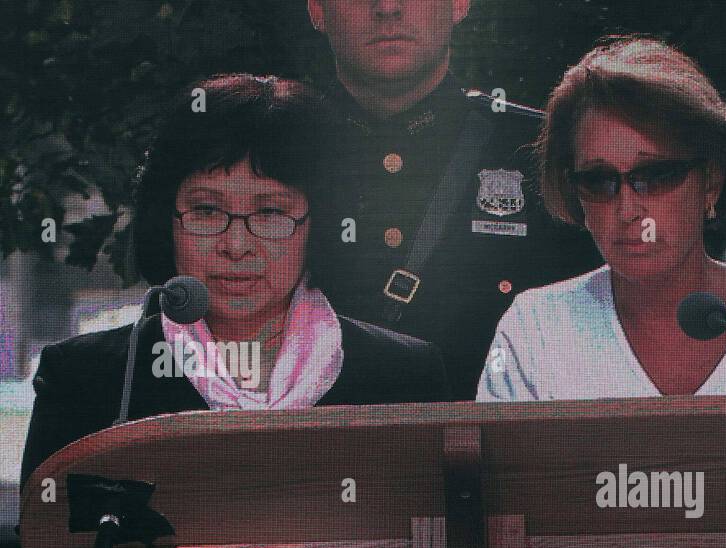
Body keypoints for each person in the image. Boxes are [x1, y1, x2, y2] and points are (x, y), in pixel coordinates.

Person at [20, 74, 447, 489]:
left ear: (321, 227)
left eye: (271, 213)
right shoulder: (84, 378)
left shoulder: (404, 376)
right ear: (163, 221)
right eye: (206, 211)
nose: (237, 245)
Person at [477, 36, 726, 426]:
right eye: (599, 180)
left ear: (711, 182)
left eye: (655, 175)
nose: (628, 209)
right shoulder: (535, 329)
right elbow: (500, 491)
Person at [305, 0, 598, 399]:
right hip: (312, 446)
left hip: (497, 445)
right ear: (317, 10)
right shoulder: (275, 148)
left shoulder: (543, 151)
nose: (387, 7)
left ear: (459, 4)